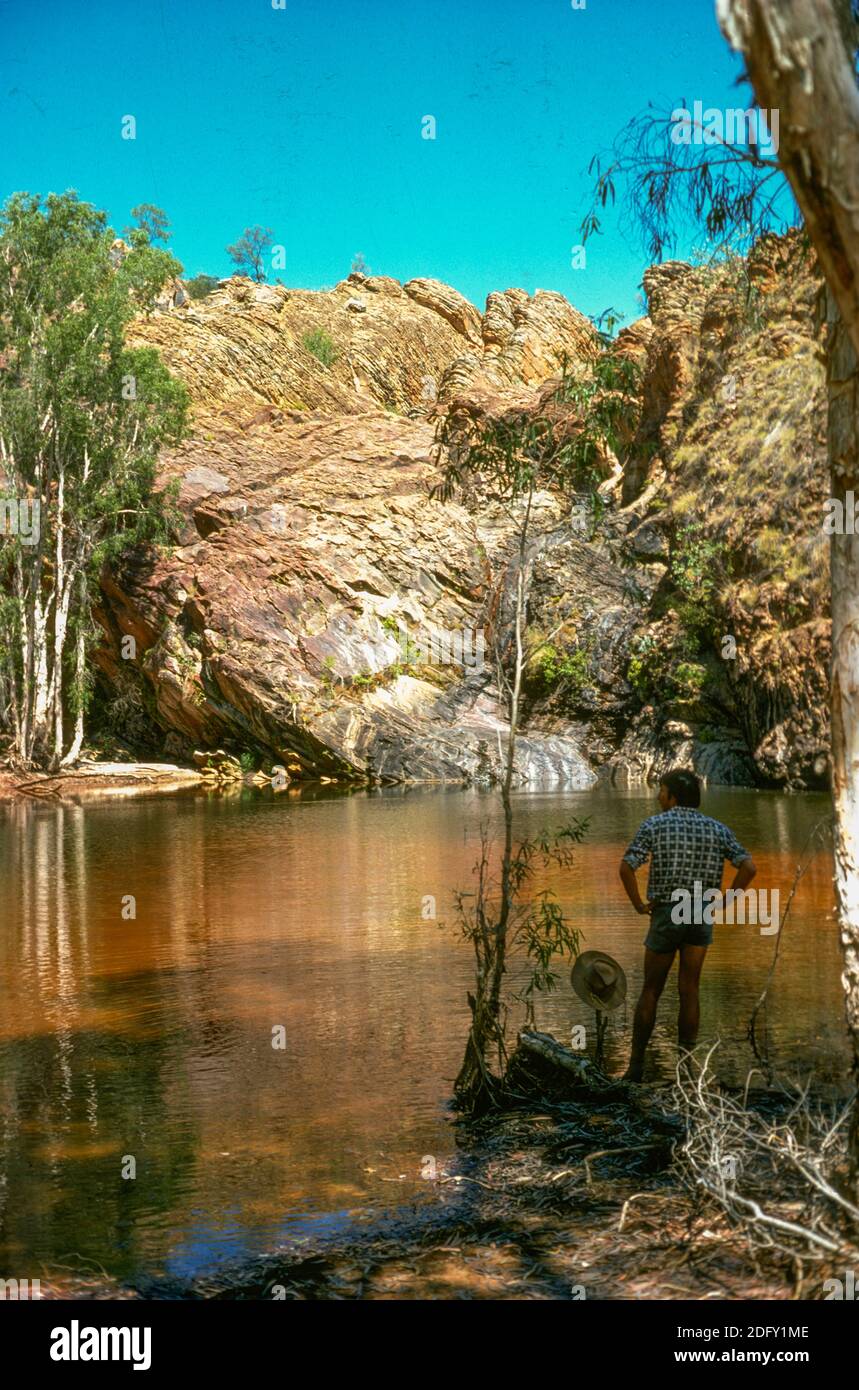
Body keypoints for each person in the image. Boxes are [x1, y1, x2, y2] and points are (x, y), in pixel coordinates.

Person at [618, 767, 756, 1082]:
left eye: (661, 791)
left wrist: (639, 904)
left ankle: (636, 1067)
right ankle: (689, 1072)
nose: (657, 796)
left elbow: (626, 868)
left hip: (667, 912)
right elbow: (749, 866)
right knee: (690, 990)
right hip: (700, 913)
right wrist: (724, 902)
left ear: (672, 796)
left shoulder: (654, 825)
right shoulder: (717, 829)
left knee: (651, 990)